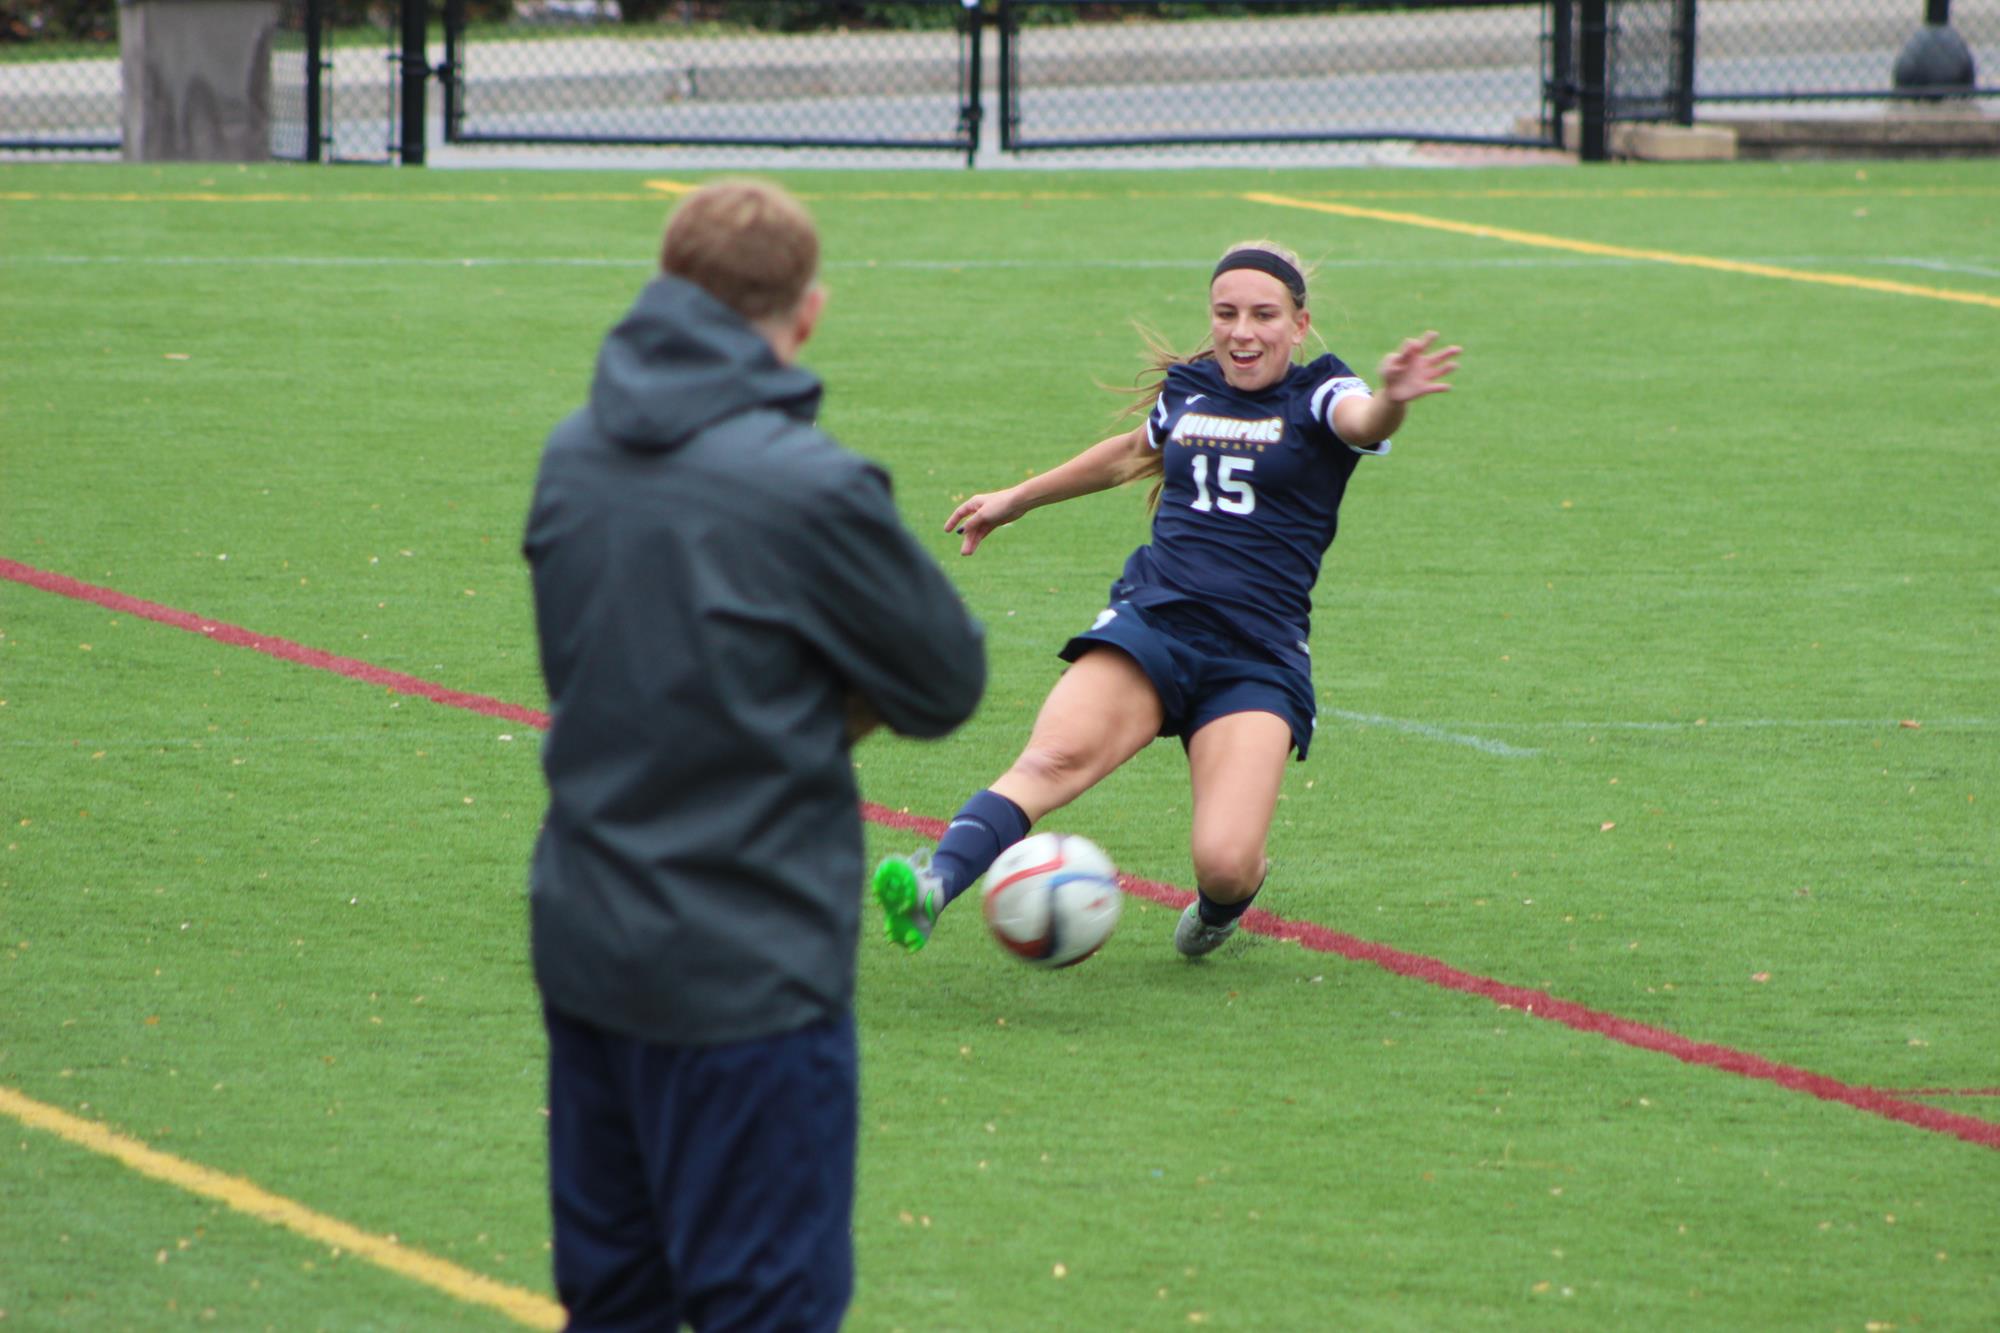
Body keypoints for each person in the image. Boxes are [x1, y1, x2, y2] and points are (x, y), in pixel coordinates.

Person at [522, 179, 985, 1331]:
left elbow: (601, 670)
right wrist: (818, 714)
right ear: (808, 312)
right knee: (765, 1306)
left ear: (666, 289)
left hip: (586, 944)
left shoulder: (571, 452)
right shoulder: (811, 487)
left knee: (614, 1300)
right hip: (746, 970)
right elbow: (944, 680)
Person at [875, 239, 1456, 960]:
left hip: (1255, 657)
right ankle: (933, 884)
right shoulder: (1190, 388)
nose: (1243, 330)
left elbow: (1363, 423)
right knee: (1051, 759)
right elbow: (1129, 451)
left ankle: (1223, 908)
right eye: (1226, 313)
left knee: (1225, 862)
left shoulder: (1321, 395)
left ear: (1299, 325)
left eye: (1264, 314)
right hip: (1153, 621)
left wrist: (1393, 400)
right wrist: (1017, 499)